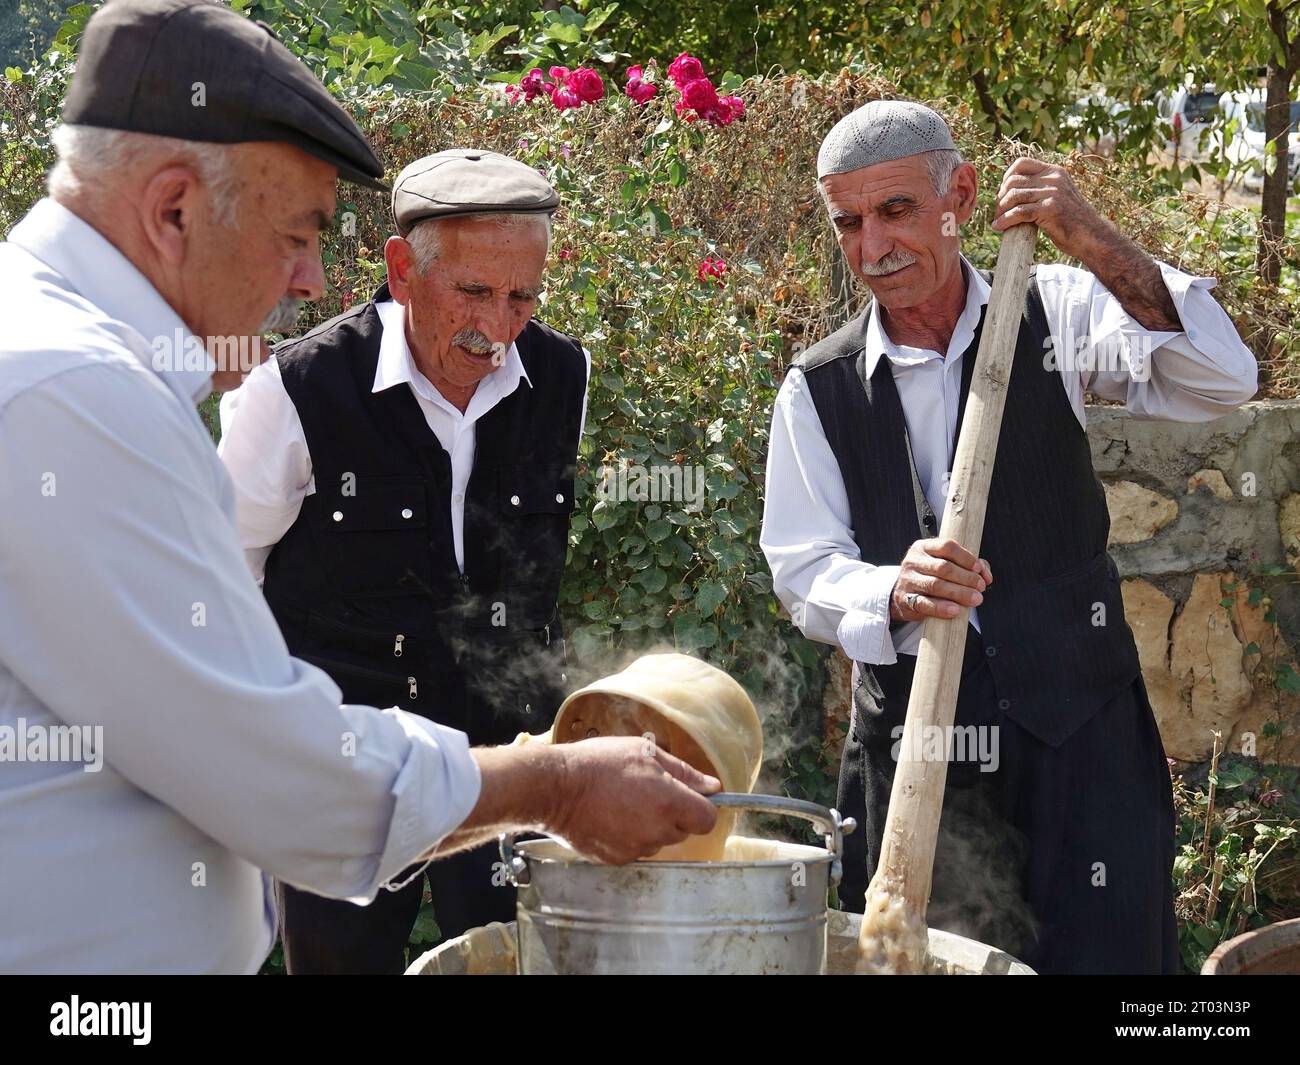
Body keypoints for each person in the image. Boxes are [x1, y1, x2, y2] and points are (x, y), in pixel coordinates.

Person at [0, 0, 718, 976]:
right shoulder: (82, 393)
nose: (306, 279)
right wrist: (553, 784)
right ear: (172, 209)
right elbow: (267, 759)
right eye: (295, 233)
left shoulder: (60, 356)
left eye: (522, 298)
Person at [760, 99, 1258, 974]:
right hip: (920, 756)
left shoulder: (1057, 313)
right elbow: (804, 568)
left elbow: (1223, 377)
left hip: (1083, 739)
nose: (873, 246)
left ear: (960, 193)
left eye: (897, 210)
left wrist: (1089, 235)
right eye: (849, 221)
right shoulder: (818, 388)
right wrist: (889, 588)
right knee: (926, 963)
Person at [218, 148, 592, 972]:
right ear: (402, 268)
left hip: (510, 768)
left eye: (522, 296)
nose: (497, 327)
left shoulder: (565, 375)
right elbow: (218, 586)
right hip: (345, 774)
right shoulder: (296, 388)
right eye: (473, 292)